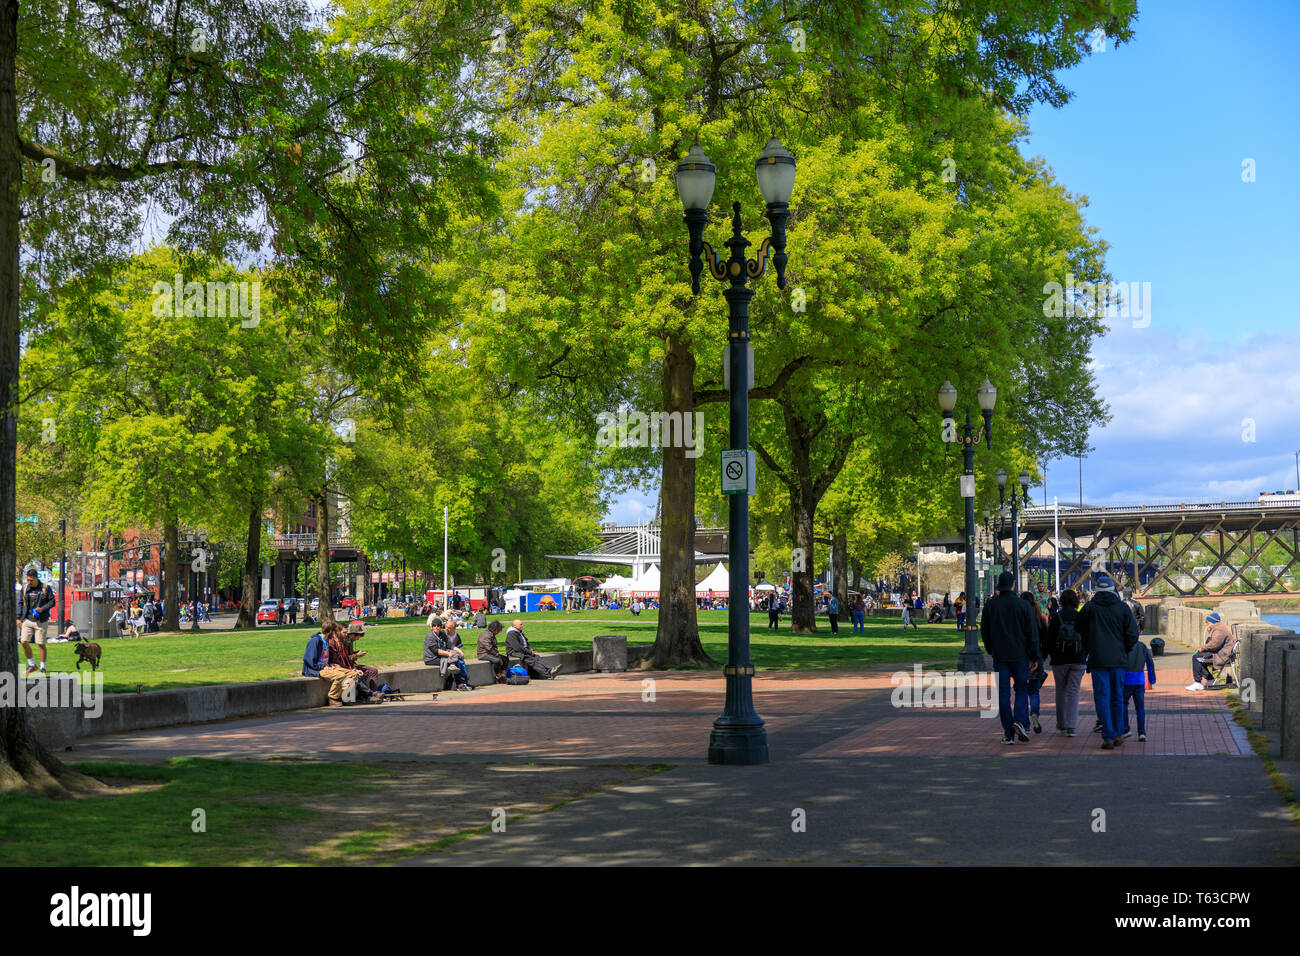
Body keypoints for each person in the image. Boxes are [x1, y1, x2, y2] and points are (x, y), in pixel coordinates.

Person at [1076, 571, 1139, 750]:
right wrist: (1124, 649)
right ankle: (1119, 733)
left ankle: (1108, 736)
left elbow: (1078, 627)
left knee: (1102, 698)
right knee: (1118, 697)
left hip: (1098, 660)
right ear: (1113, 589)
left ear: (1096, 590)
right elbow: (1133, 634)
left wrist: (1089, 644)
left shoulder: (1089, 608)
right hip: (1118, 660)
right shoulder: (1122, 608)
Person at [981, 571, 1040, 744]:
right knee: (1021, 689)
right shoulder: (1023, 605)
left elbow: (985, 631)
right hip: (1020, 655)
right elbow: (1032, 633)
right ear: (1013, 585)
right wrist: (1034, 655)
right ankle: (1020, 721)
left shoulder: (991, 606)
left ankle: (1008, 733)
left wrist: (991, 649)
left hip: (1000, 655)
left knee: (1003, 695)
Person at [1045, 588, 1088, 736]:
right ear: (1076, 601)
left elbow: (1049, 639)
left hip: (1059, 660)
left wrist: (1050, 655)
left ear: (1061, 601)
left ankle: (1062, 724)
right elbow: (1087, 637)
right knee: (1073, 692)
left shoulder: (1056, 617)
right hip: (1078, 659)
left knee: (1061, 691)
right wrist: (1085, 654)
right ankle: (1071, 726)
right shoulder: (1081, 616)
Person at [1020, 590, 1049, 733]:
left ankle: (1024, 722)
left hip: (1021, 658)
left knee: (1022, 692)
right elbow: (1046, 642)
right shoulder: (1040, 620)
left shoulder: (1019, 619)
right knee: (1034, 691)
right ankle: (1035, 714)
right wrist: (1041, 657)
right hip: (1037, 658)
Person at [19, 569, 56, 675]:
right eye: (27, 580)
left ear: (36, 578)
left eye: (31, 580)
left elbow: (52, 602)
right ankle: (32, 665)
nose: (29, 582)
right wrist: (19, 618)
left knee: (40, 644)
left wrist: (42, 609)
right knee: (23, 642)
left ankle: (43, 667)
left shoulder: (45, 588)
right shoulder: (25, 588)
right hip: (27, 619)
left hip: (41, 620)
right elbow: (21, 602)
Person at [1122, 636, 1157, 742]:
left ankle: (1125, 728)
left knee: (1123, 704)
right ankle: (1141, 732)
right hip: (1139, 681)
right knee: (1140, 708)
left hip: (1126, 680)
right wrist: (1152, 679)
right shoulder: (1142, 646)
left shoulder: (1123, 646)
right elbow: (1150, 662)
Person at [1186, 611, 1233, 691]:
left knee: (1196, 658)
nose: (1205, 624)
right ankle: (1211, 680)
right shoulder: (1218, 628)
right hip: (1219, 652)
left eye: (1207, 622)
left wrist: (1202, 649)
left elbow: (1214, 644)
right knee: (1199, 660)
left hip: (1222, 655)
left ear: (1212, 622)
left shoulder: (1219, 630)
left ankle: (1197, 682)